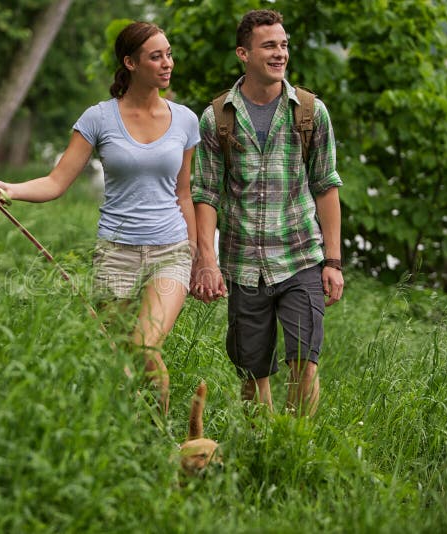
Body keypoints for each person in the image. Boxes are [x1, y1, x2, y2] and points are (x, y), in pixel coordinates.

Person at [0, 21, 200, 415]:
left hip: (170, 252)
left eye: (169, 54)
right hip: (116, 254)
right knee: (119, 358)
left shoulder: (185, 120)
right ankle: (125, 429)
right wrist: (9, 189)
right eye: (156, 56)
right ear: (130, 63)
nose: (168, 63)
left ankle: (161, 435)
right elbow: (56, 181)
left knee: (145, 344)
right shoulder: (99, 119)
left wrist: (198, 256)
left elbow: (184, 193)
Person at [191, 9, 344, 417]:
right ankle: (264, 444)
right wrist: (206, 260)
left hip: (300, 258)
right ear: (243, 53)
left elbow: (326, 185)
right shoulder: (217, 117)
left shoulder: (310, 111)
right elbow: (205, 194)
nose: (280, 53)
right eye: (269, 46)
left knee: (305, 365)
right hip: (243, 264)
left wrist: (333, 262)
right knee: (252, 372)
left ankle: (295, 443)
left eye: (284, 45)